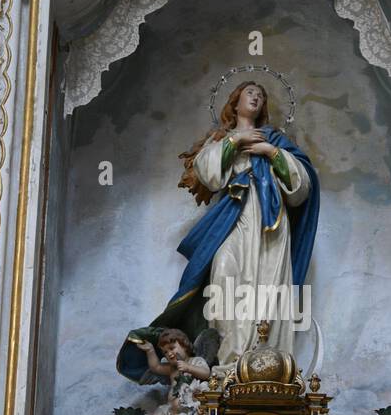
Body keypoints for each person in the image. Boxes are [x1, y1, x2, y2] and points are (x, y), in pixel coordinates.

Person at [117, 80, 319, 382]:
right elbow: (208, 173)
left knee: (267, 291)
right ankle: (230, 361)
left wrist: (270, 152)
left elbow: (301, 188)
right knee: (224, 276)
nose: (256, 97)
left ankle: (266, 361)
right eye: (250, 93)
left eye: (261, 95)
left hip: (271, 226)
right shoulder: (222, 138)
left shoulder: (275, 139)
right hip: (233, 219)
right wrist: (235, 141)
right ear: (234, 103)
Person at [132, 328, 211, 415]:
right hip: (172, 408)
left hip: (190, 408)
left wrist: (189, 368)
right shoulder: (172, 369)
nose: (169, 353)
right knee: (158, 414)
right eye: (165, 352)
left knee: (177, 403)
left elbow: (206, 373)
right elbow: (155, 367)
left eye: (172, 348)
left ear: (185, 345)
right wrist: (150, 350)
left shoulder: (195, 361)